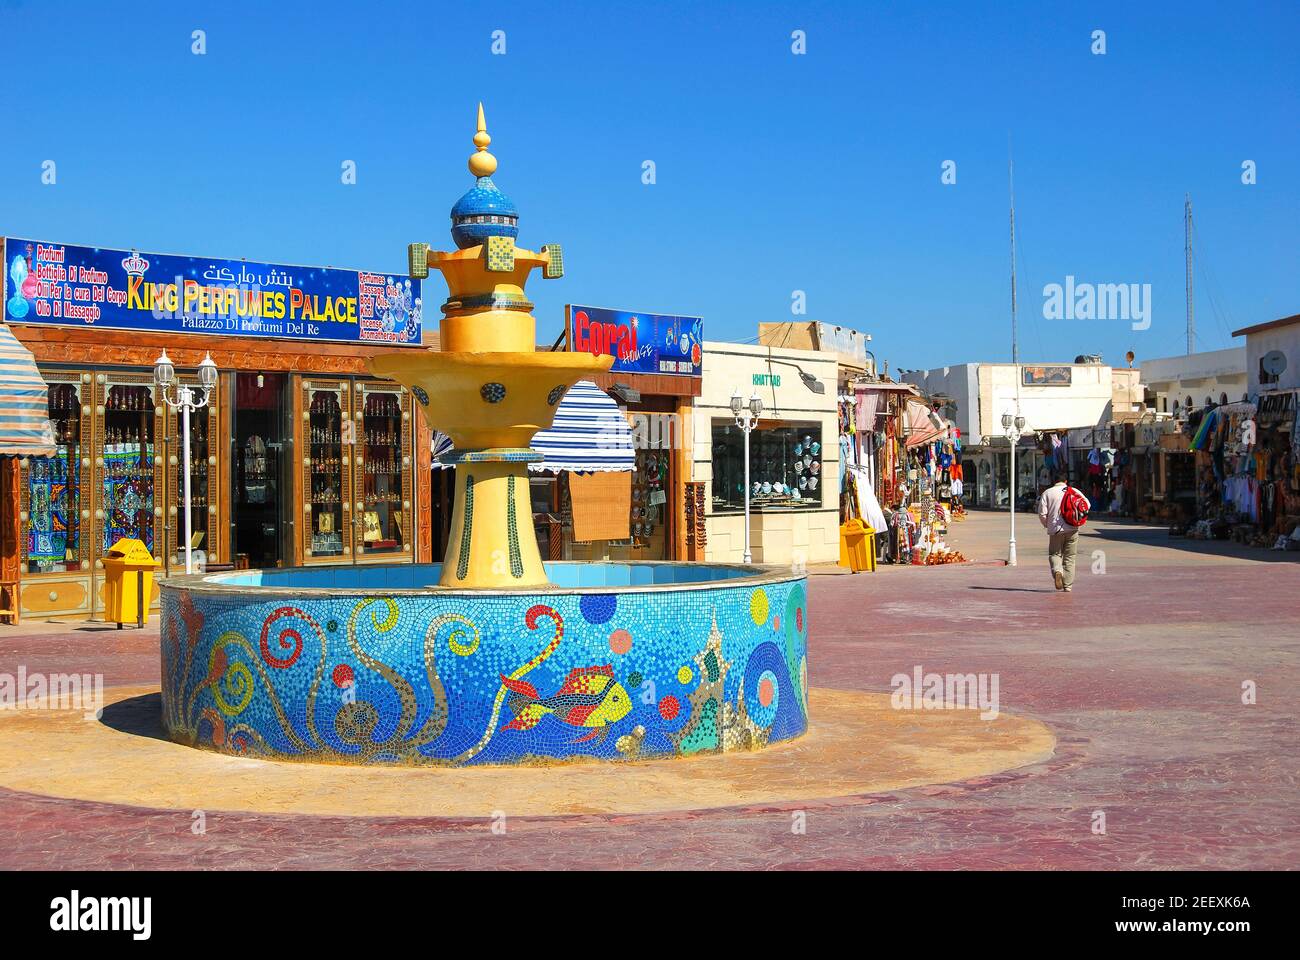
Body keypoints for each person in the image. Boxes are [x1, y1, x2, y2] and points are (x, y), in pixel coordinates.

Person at [1038, 469, 1088, 592]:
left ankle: (1058, 571)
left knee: (1055, 554)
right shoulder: (1074, 491)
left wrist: (1047, 525)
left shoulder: (1047, 493)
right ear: (1066, 481)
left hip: (1055, 529)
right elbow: (1086, 505)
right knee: (1070, 557)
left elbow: (1042, 513)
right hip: (1073, 528)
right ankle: (1068, 585)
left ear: (1053, 481)